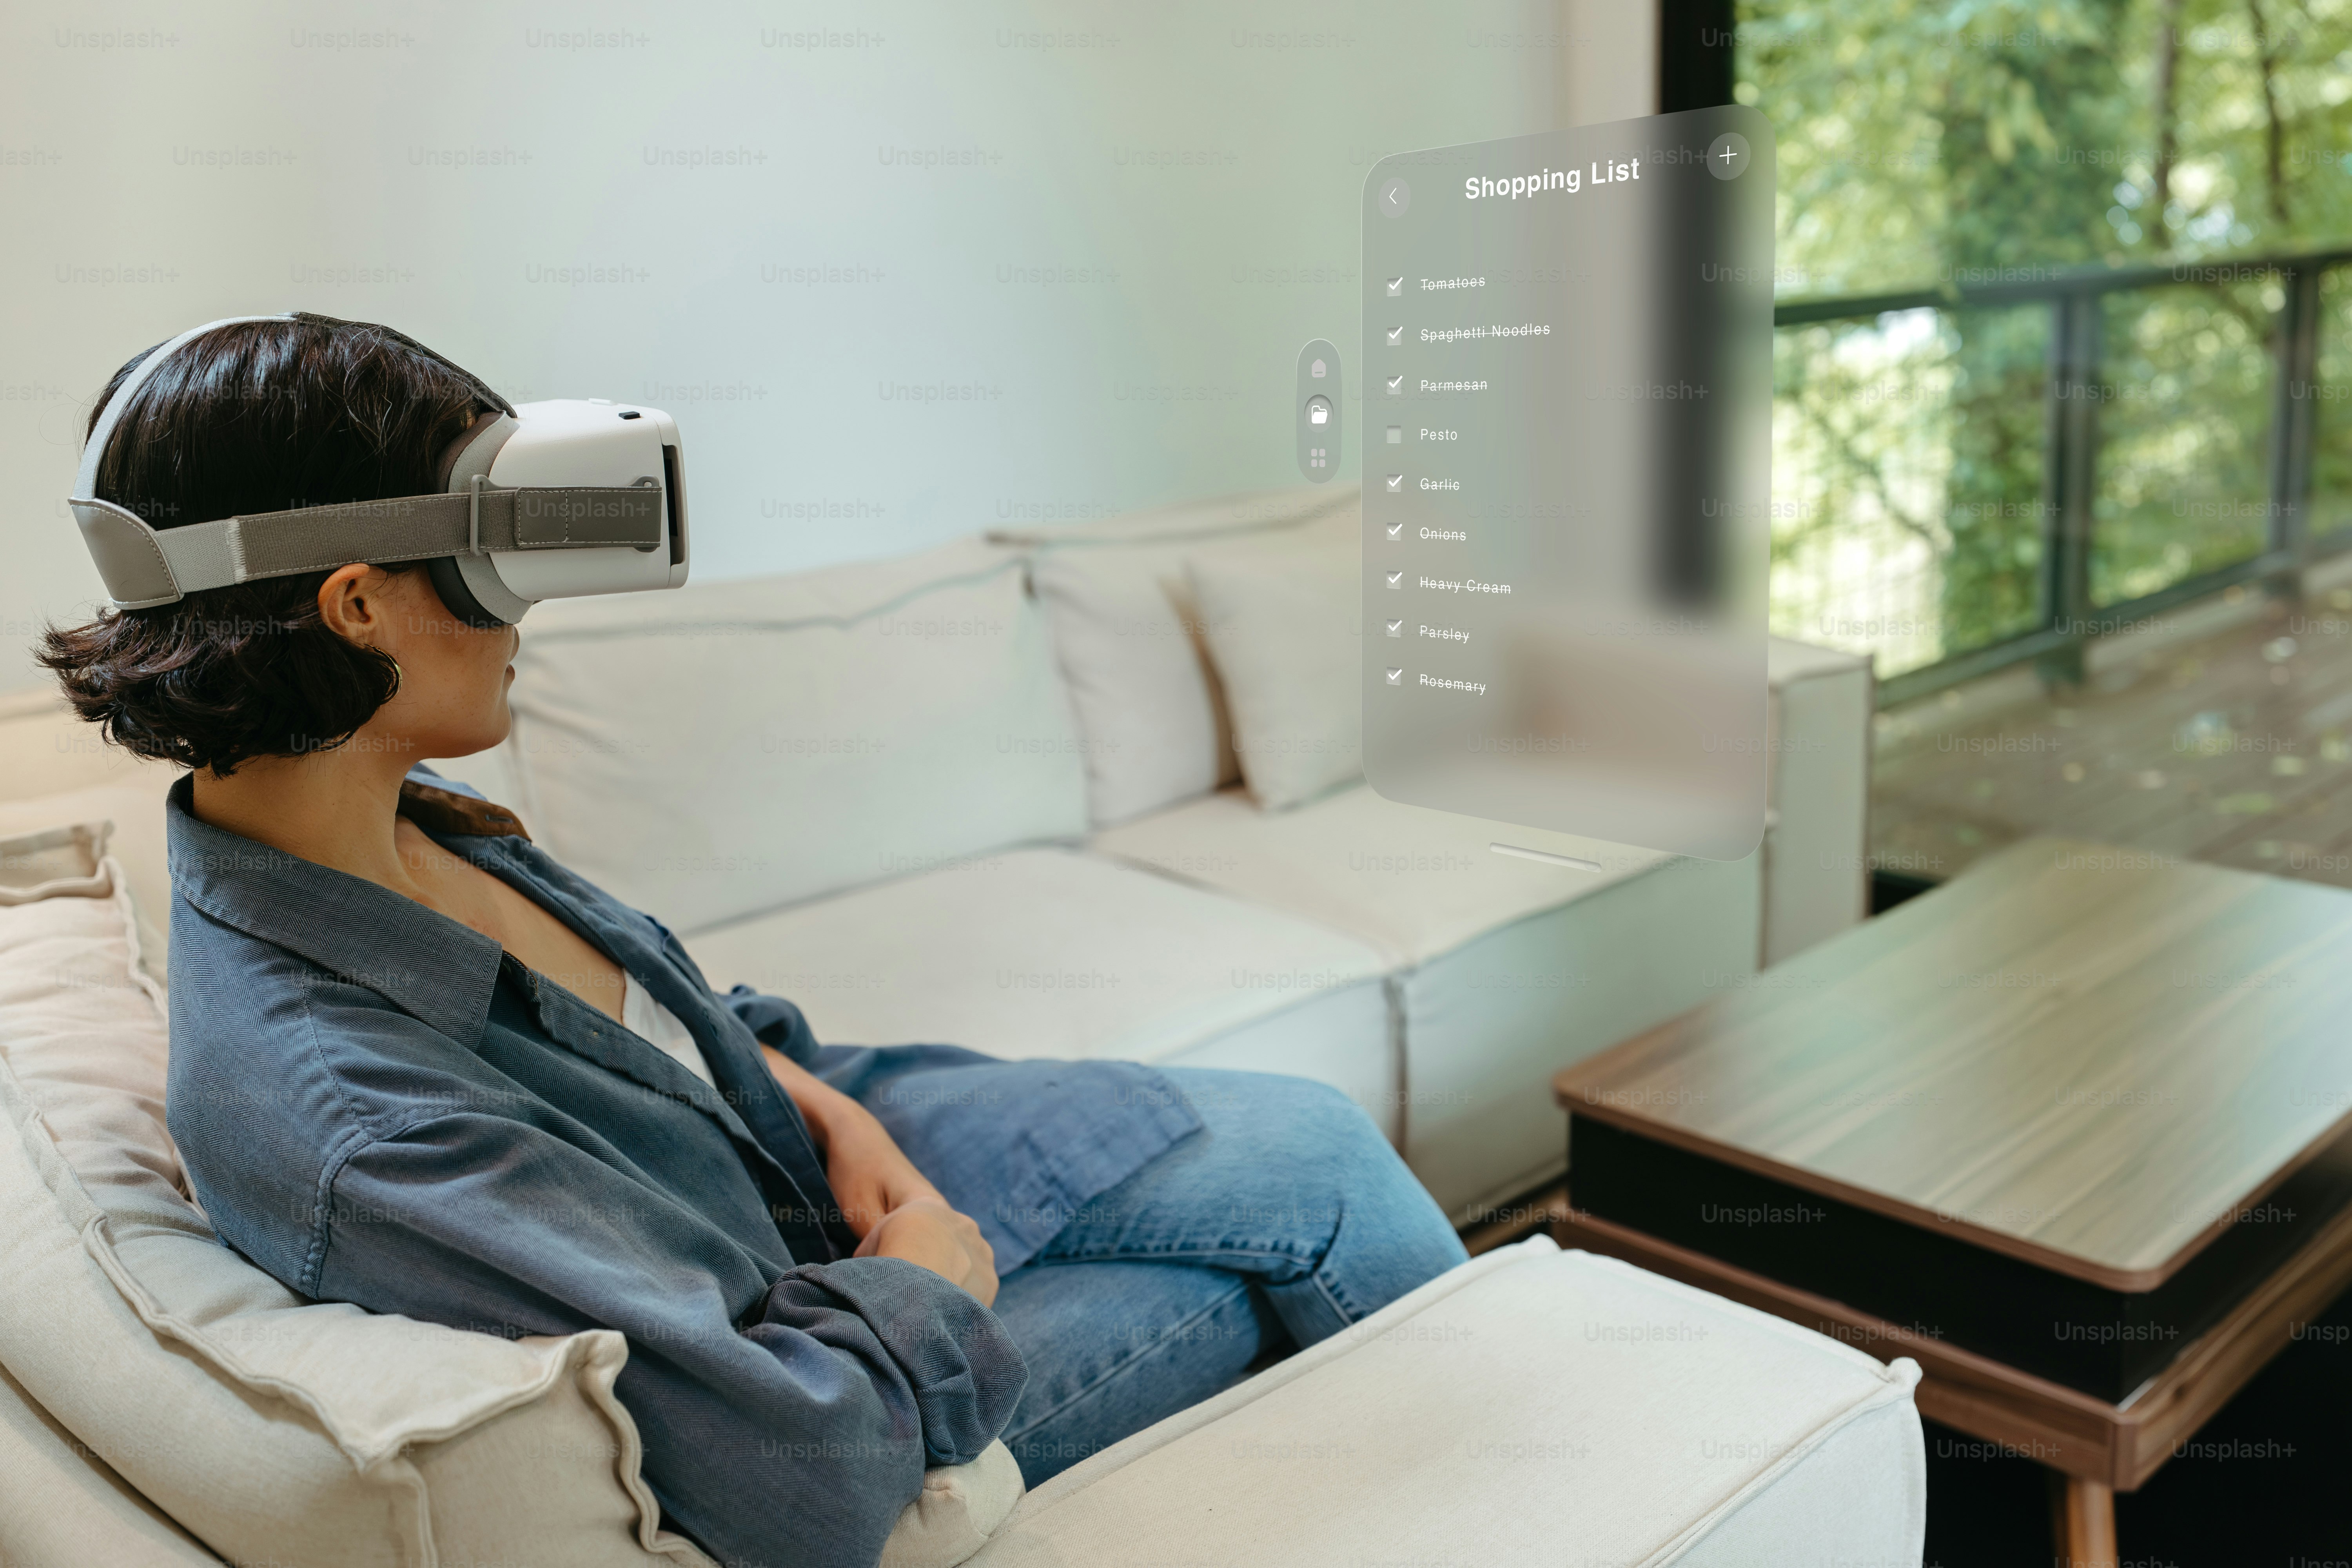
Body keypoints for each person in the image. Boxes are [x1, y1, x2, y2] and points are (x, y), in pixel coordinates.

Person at [41, 316, 1469, 1568]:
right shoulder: (355, 1118)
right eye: (482, 558)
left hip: (813, 1145)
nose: (524, 605)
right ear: (355, 605)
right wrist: (933, 1278)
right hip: (827, 1336)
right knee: (1291, 1251)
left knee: (1324, 1149)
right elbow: (787, 1474)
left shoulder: (410, 816)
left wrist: (819, 1099)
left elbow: (658, 1030)